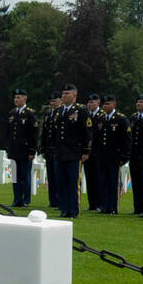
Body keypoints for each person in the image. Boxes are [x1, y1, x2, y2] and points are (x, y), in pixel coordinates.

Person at [53, 84, 90, 218]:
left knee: (73, 183)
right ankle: (64, 209)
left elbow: (86, 131)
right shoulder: (59, 111)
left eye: (67, 93)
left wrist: (86, 151)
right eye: (63, 93)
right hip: (60, 153)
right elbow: (54, 133)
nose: (64, 96)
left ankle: (73, 210)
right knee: (61, 182)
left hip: (74, 153)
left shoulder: (80, 111)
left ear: (74, 95)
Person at [92, 94, 129, 214]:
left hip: (115, 156)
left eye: (108, 104)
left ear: (114, 104)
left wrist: (124, 156)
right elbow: (96, 138)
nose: (105, 106)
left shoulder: (121, 119)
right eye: (104, 104)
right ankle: (104, 206)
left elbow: (126, 139)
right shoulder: (100, 119)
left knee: (113, 182)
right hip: (102, 156)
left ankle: (113, 207)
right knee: (102, 182)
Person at [5, 88, 39, 207]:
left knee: (25, 176)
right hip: (14, 150)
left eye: (19, 97)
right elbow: (9, 133)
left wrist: (32, 150)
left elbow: (34, 134)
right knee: (15, 176)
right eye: (15, 97)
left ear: (25, 98)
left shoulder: (30, 114)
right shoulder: (12, 113)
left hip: (25, 150)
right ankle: (17, 199)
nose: (16, 100)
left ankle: (25, 200)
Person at [39, 92, 62, 208]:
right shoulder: (48, 114)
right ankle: (52, 200)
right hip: (49, 149)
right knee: (51, 176)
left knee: (58, 176)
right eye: (51, 101)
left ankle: (59, 200)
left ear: (60, 101)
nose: (52, 103)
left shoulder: (62, 113)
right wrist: (42, 147)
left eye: (54, 101)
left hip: (57, 149)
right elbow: (45, 132)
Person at [82, 93, 103, 212]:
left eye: (92, 102)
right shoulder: (86, 115)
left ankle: (99, 203)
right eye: (88, 103)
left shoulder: (102, 116)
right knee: (90, 180)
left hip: (98, 154)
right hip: (88, 154)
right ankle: (92, 204)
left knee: (98, 180)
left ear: (98, 103)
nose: (90, 104)